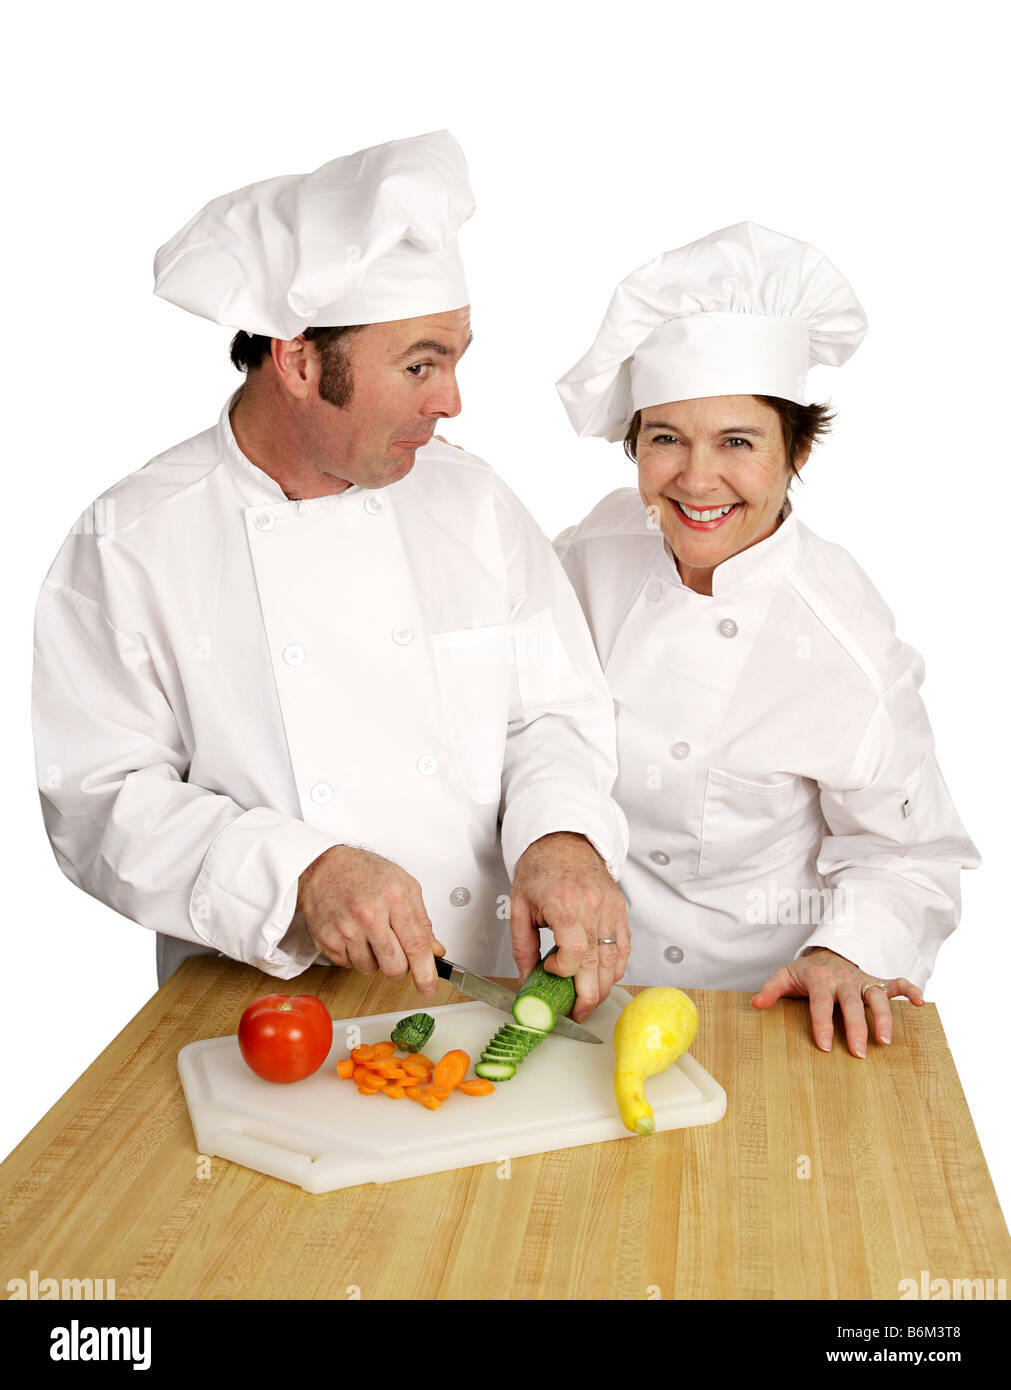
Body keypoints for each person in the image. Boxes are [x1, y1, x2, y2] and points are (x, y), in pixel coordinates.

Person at [31, 131, 630, 1019]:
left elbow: (549, 713)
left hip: (487, 990)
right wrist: (297, 871)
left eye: (457, 357)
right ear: (300, 359)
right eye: (420, 363)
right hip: (262, 1009)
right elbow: (99, 803)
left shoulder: (474, 503)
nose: (452, 400)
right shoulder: (130, 543)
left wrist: (563, 836)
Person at [553, 221, 980, 1054]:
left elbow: (910, 853)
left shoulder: (840, 636)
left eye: (737, 443)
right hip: (568, 989)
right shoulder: (587, 556)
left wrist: (843, 950)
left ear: (797, 450)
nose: (696, 478)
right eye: (664, 439)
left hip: (752, 1016)